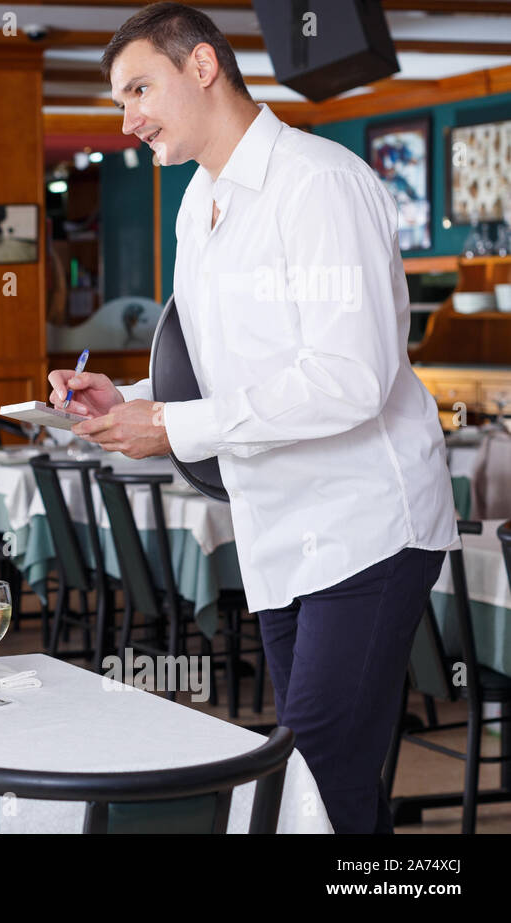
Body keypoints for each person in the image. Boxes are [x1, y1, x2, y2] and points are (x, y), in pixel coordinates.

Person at [48, 2, 457, 834]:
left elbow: (350, 380)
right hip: (277, 535)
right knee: (330, 789)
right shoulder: (196, 205)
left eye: (138, 90)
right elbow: (229, 372)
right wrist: (128, 400)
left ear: (203, 66)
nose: (127, 121)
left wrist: (171, 428)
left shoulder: (321, 183)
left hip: (365, 528)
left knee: (310, 776)